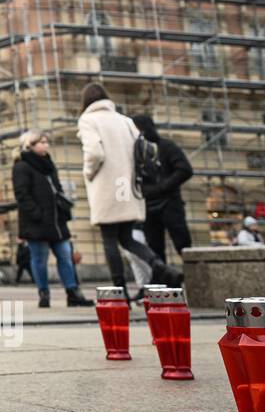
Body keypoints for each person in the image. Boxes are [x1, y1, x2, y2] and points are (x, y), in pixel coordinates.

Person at [76, 82, 170, 299]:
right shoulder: (126, 121)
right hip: (128, 187)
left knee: (109, 238)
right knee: (127, 238)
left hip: (106, 187)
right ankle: (159, 265)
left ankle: (120, 291)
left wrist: (88, 173)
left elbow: (94, 153)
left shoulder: (88, 120)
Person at [10, 129, 93, 308]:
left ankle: (73, 293)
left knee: (65, 256)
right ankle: (43, 293)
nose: (46, 145)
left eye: (47, 142)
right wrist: (36, 214)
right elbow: (21, 194)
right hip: (37, 223)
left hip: (57, 221)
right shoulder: (22, 166)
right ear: (29, 145)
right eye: (42, 142)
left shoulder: (49, 165)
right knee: (40, 259)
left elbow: (57, 189)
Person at [130, 114, 193, 266]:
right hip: (149, 206)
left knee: (183, 245)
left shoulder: (167, 146)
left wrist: (162, 187)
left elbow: (184, 170)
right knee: (155, 249)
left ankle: (195, 279)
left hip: (170, 203)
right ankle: (162, 283)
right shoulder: (135, 152)